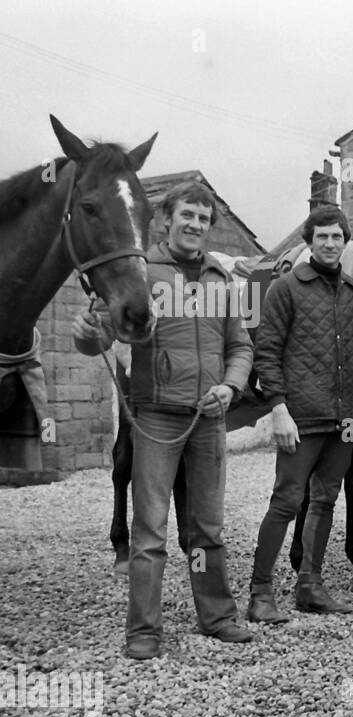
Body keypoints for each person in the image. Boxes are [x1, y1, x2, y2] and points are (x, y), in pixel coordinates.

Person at [72, 180, 254, 660]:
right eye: (187, 215)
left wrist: (231, 387)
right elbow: (98, 340)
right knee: (150, 531)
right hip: (155, 419)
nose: (195, 224)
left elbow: (241, 347)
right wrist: (87, 334)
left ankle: (216, 616)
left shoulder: (221, 279)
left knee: (207, 529)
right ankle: (144, 630)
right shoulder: (143, 271)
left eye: (203, 217)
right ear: (167, 220)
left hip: (209, 421)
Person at [247, 205, 353, 622]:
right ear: (310, 242)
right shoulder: (285, 289)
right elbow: (267, 352)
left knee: (325, 500)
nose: (330, 243)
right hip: (302, 417)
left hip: (346, 421)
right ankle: (260, 594)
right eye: (322, 236)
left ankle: (309, 586)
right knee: (286, 501)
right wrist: (278, 408)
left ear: (345, 243)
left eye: (337, 237)